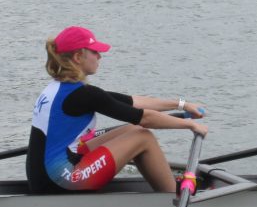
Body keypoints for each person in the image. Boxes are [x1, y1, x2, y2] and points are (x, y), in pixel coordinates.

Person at [28, 26, 207, 194]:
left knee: (132, 129)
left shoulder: (58, 88)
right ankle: (173, 195)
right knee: (143, 136)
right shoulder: (83, 94)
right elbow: (145, 118)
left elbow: (134, 102)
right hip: (60, 180)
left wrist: (182, 104)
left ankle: (163, 180)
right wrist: (190, 125)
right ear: (77, 57)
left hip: (43, 176)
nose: (99, 56)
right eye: (94, 52)